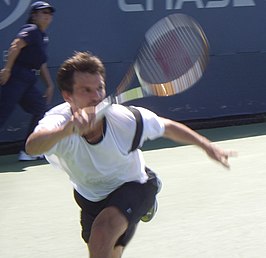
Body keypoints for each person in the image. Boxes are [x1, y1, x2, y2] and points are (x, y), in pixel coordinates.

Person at [25, 51, 235, 258]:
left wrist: (208, 146)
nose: (96, 96)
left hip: (134, 184)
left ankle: (145, 202)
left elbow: (167, 127)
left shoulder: (124, 120)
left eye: (99, 88)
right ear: (67, 96)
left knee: (102, 233)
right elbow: (32, 147)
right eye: (86, 90)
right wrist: (66, 131)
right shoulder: (57, 121)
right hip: (90, 197)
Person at [0, 1, 55, 161]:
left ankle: (29, 151)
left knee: (41, 110)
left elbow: (41, 62)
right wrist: (7, 69)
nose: (47, 16)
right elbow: (15, 46)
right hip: (16, 77)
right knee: (2, 114)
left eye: (49, 13)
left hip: (28, 80)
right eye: (43, 12)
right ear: (34, 15)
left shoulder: (42, 36)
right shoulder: (31, 29)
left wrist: (50, 85)